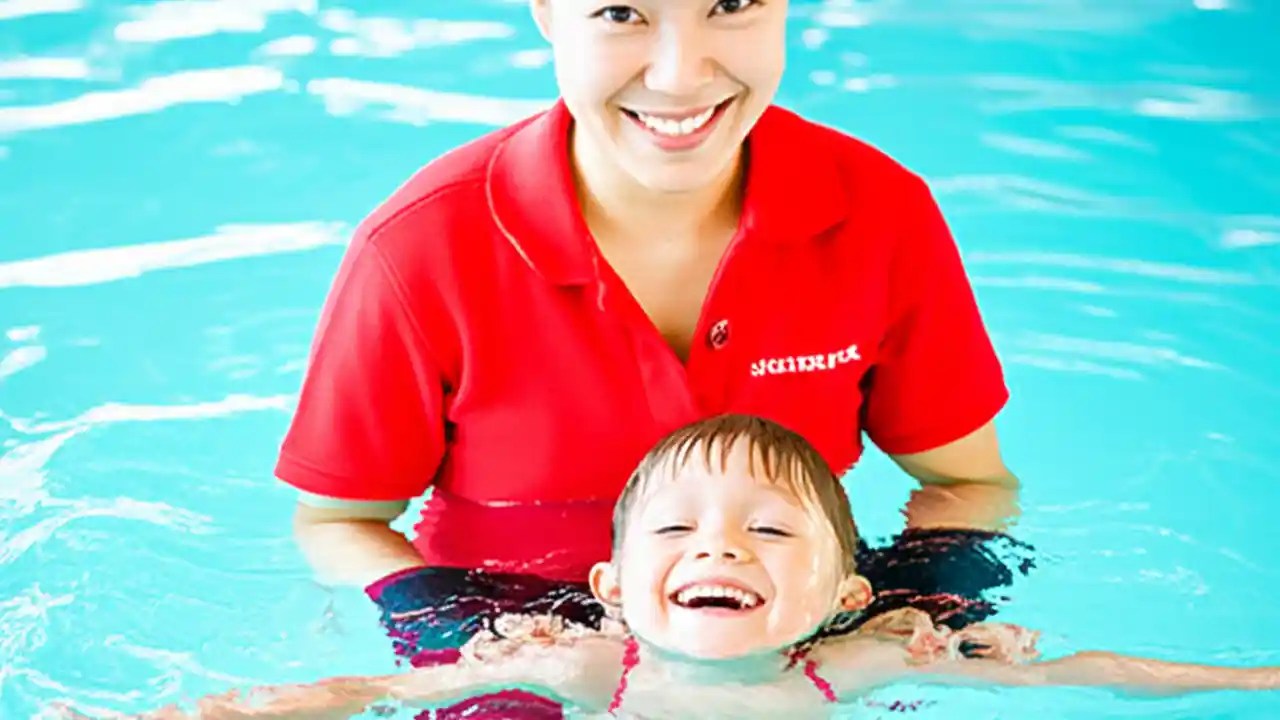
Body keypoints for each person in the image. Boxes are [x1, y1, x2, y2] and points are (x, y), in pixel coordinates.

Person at [277, 0, 1026, 714]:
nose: (679, 74)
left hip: (777, 630)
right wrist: (462, 638)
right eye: (620, 13)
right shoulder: (422, 248)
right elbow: (340, 522)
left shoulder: (880, 215)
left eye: (731, 5)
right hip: (510, 628)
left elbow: (967, 484)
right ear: (545, 12)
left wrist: (912, 621)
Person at [131, 416, 1276, 720]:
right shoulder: (589, 668)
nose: (719, 547)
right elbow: (378, 693)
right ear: (616, 587)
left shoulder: (853, 665)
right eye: (674, 534)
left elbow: (1074, 678)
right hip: (497, 597)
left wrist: (1249, 686)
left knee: (971, 585)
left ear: (839, 597)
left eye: (768, 533)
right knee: (413, 600)